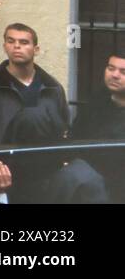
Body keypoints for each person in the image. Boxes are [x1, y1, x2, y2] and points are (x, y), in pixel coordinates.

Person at [0, 23, 70, 203]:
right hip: (6, 169)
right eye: (11, 41)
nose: (17, 46)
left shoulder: (53, 88)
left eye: (24, 42)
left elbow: (62, 127)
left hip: (46, 171)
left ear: (36, 49)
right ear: (5, 46)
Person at [51, 52, 125, 203]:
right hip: (89, 179)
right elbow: (76, 137)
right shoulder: (98, 100)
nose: (115, 75)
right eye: (111, 68)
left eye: (123, 72)